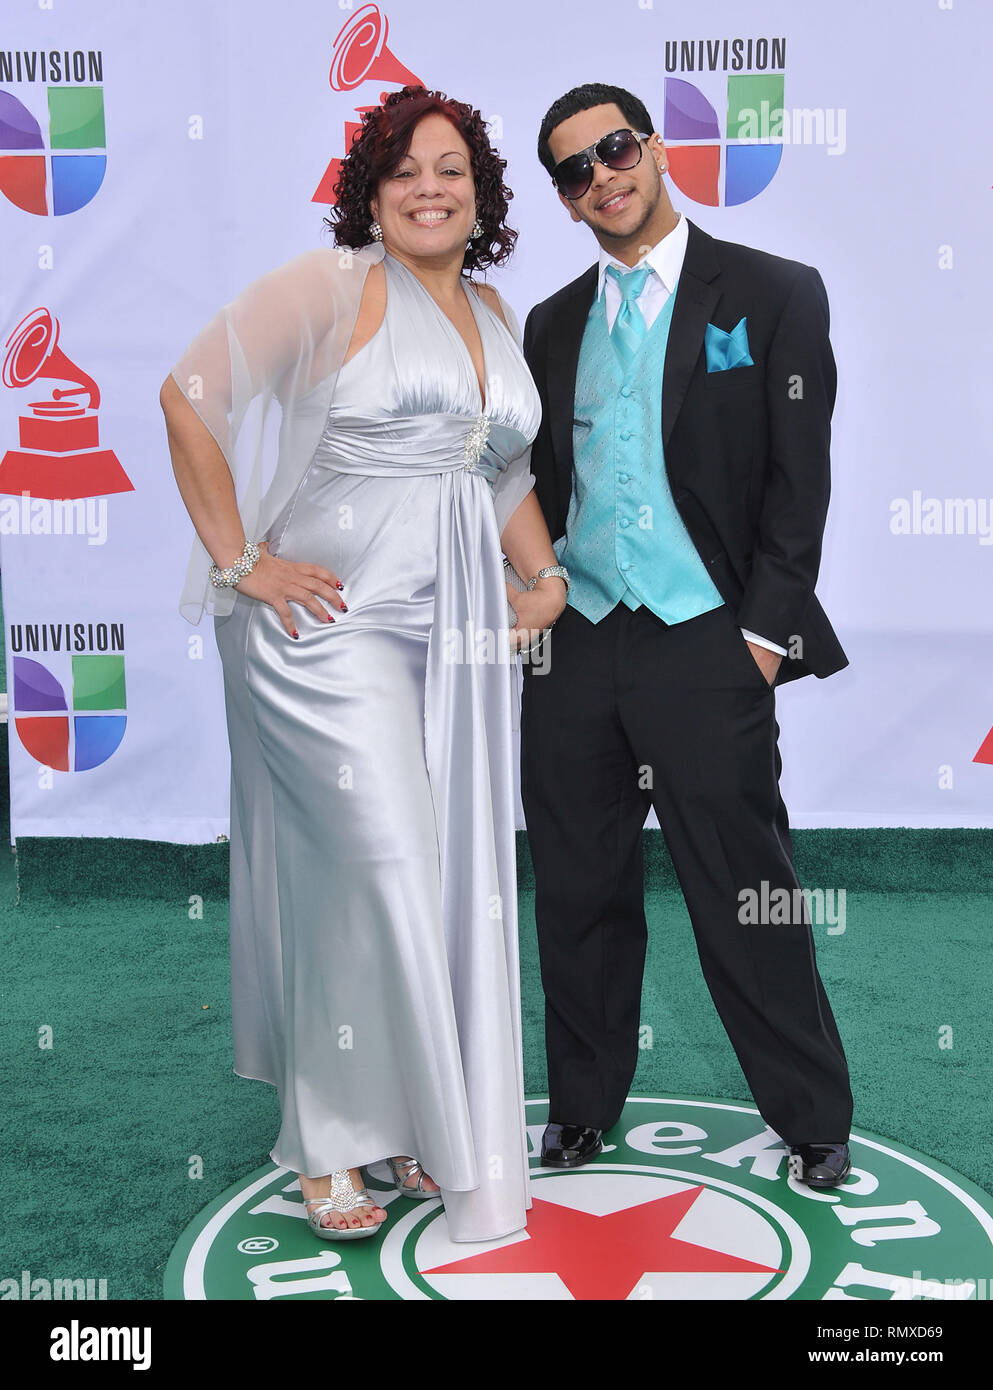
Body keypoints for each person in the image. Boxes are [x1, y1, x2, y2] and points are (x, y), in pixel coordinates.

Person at [160, 85, 566, 1242]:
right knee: (378, 865)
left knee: (437, 878)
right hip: (324, 633)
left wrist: (543, 579)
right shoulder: (332, 287)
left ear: (481, 191)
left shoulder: (492, 308)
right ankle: (327, 1138)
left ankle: (409, 1121)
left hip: (454, 641)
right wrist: (243, 561)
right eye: (404, 172)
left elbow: (498, 474)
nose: (429, 188)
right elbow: (188, 399)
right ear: (371, 195)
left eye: (451, 169)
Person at [519, 83, 855, 1188]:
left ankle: (813, 1117)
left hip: (708, 639)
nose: (602, 175)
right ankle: (579, 1108)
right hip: (580, 642)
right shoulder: (552, 323)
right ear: (565, 201)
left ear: (655, 149)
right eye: (575, 169)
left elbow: (797, 487)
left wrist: (762, 637)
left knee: (744, 886)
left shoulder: (772, 292)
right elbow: (548, 485)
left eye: (615, 148)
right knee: (575, 888)